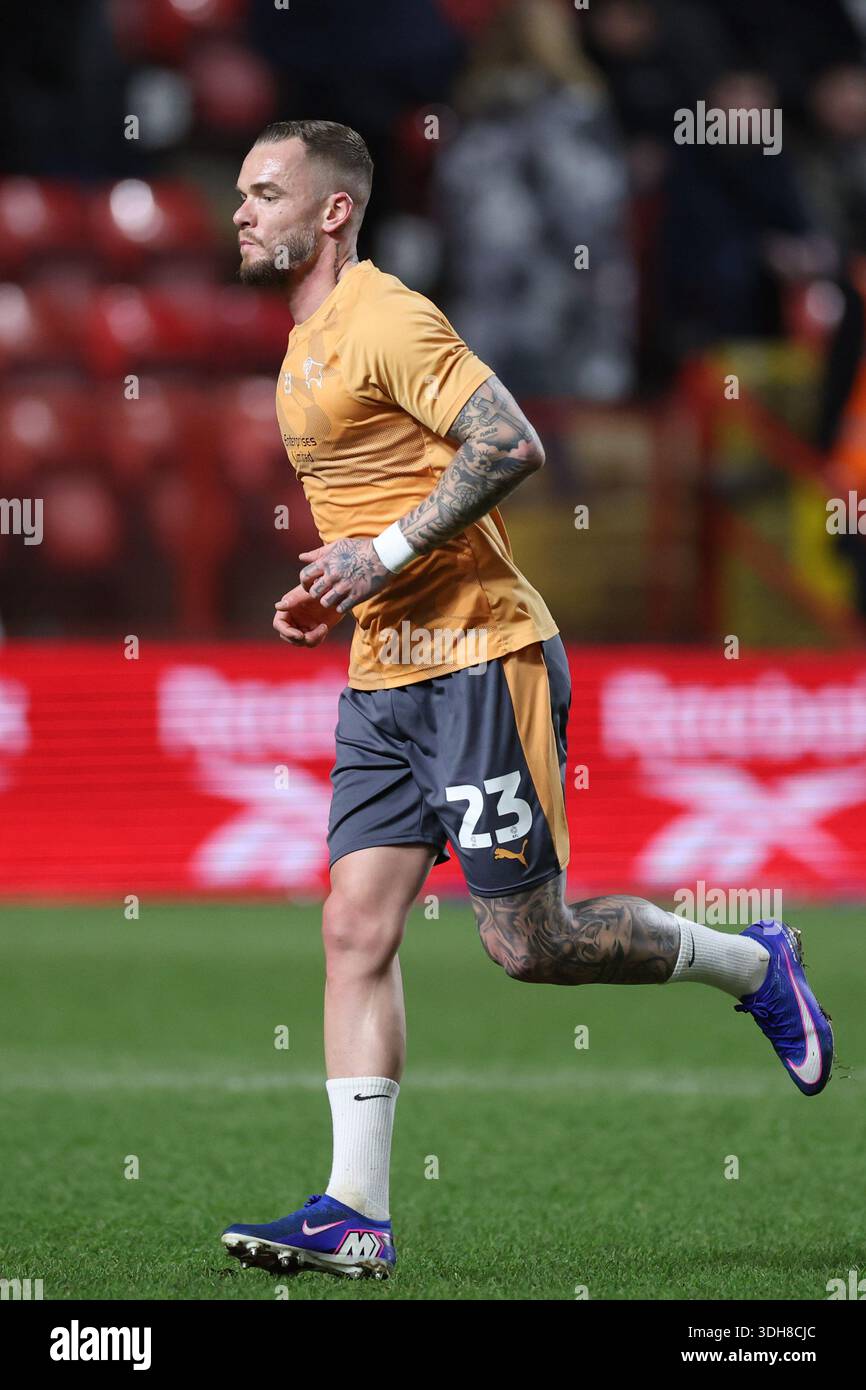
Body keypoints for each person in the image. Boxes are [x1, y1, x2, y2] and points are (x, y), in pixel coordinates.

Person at [221, 119, 835, 1282]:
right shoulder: (302, 344)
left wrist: (381, 551)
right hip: (381, 673)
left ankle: (754, 963)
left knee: (529, 943)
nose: (239, 211)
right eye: (243, 192)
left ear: (332, 211)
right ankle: (354, 1209)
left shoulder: (385, 317)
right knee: (354, 927)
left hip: (476, 659)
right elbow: (377, 500)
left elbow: (510, 441)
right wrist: (338, 586)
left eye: (264, 192)